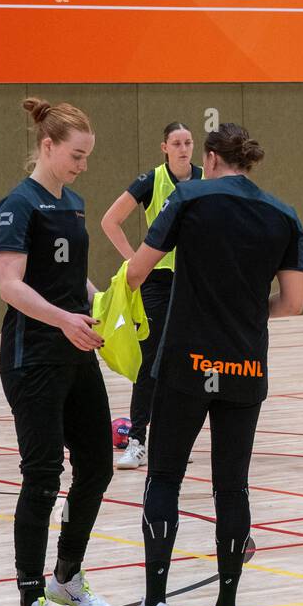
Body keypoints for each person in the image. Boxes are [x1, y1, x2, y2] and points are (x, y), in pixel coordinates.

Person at [113, 123, 303, 606]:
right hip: (245, 364)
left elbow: (137, 273)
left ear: (213, 158)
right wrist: (246, 313)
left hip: (184, 362)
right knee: (232, 485)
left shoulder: (188, 197)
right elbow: (292, 303)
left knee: (165, 478)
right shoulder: (284, 215)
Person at [0, 98, 114, 606]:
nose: (81, 166)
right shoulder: (18, 206)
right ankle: (29, 599)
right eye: (75, 155)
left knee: (98, 465)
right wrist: (65, 319)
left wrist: (104, 306)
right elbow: (10, 286)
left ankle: (66, 575)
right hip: (33, 356)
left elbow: (75, 279)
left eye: (86, 157)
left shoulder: (77, 203)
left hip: (75, 348)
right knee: (42, 476)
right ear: (47, 146)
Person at [100, 121, 202, 469]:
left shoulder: (206, 179)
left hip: (193, 281)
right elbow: (110, 220)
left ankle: (172, 443)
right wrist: (134, 260)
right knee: (151, 362)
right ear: (165, 148)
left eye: (188, 142)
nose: (184, 148)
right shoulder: (150, 181)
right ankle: (138, 440)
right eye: (176, 142)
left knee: (186, 363)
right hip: (156, 282)